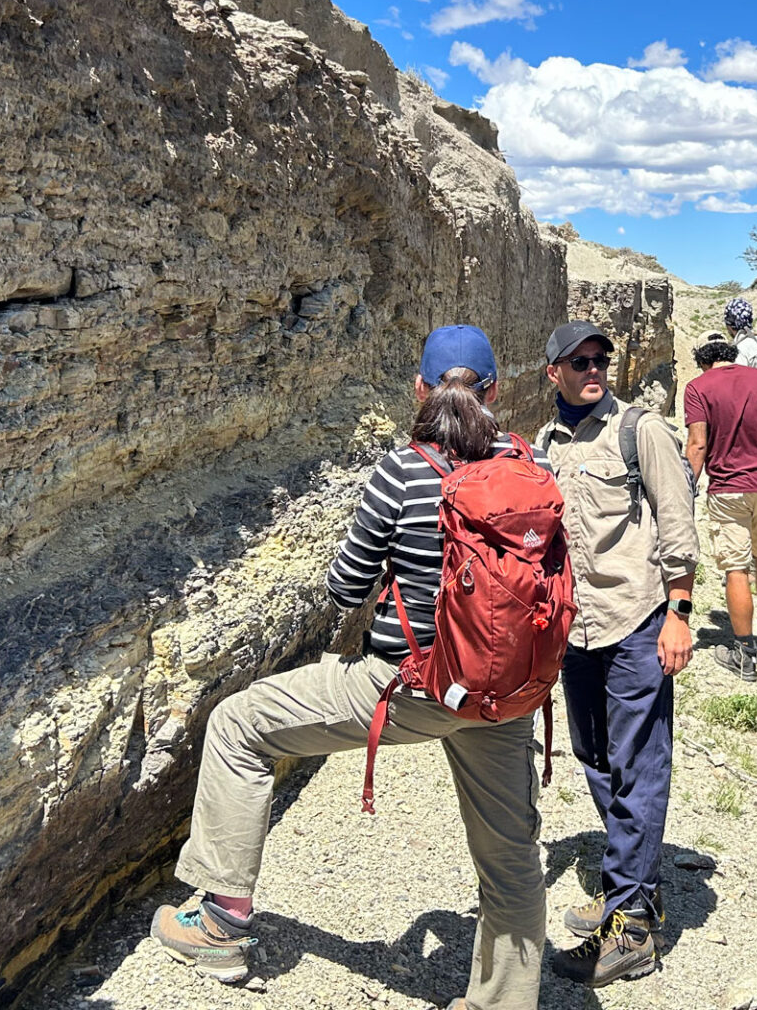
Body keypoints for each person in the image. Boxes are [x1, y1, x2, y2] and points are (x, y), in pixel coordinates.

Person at [152, 325, 547, 1010]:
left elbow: (347, 584)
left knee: (240, 725)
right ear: (496, 391)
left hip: (413, 685)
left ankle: (221, 924)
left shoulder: (403, 469)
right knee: (511, 856)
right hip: (507, 688)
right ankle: (506, 1001)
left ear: (419, 390)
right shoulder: (530, 462)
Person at [534, 320, 698, 988]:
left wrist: (679, 613)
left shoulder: (641, 429)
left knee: (639, 763)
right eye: (580, 361)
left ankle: (629, 927)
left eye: (602, 358)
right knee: (596, 758)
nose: (595, 368)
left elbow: (678, 521)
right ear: (555, 373)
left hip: (636, 620)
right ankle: (636, 885)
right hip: (577, 631)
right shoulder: (548, 444)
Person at [684, 331, 757, 682]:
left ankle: (744, 653)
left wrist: (688, 488)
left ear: (703, 359)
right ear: (732, 353)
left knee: (735, 568)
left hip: (728, 489)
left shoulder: (699, 387)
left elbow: (698, 444)